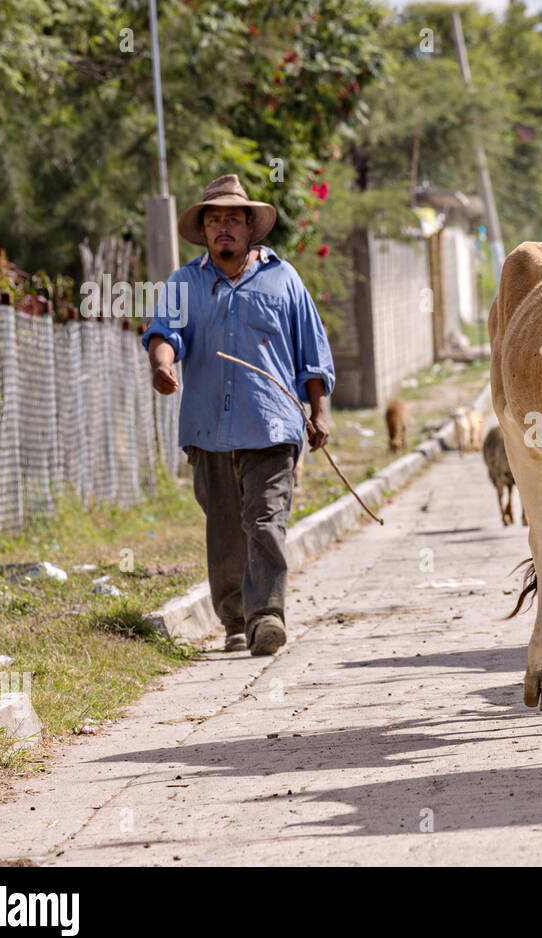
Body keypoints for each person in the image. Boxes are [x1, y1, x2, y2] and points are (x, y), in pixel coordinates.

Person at [141, 174, 334, 655]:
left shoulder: (284, 279)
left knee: (266, 523)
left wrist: (320, 412)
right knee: (224, 527)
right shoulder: (184, 282)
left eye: (232, 218)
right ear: (204, 231)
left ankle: (267, 616)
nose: (223, 227)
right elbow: (165, 332)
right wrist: (162, 363)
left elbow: (312, 354)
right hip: (208, 429)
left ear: (250, 226)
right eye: (214, 220)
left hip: (272, 424)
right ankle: (233, 619)